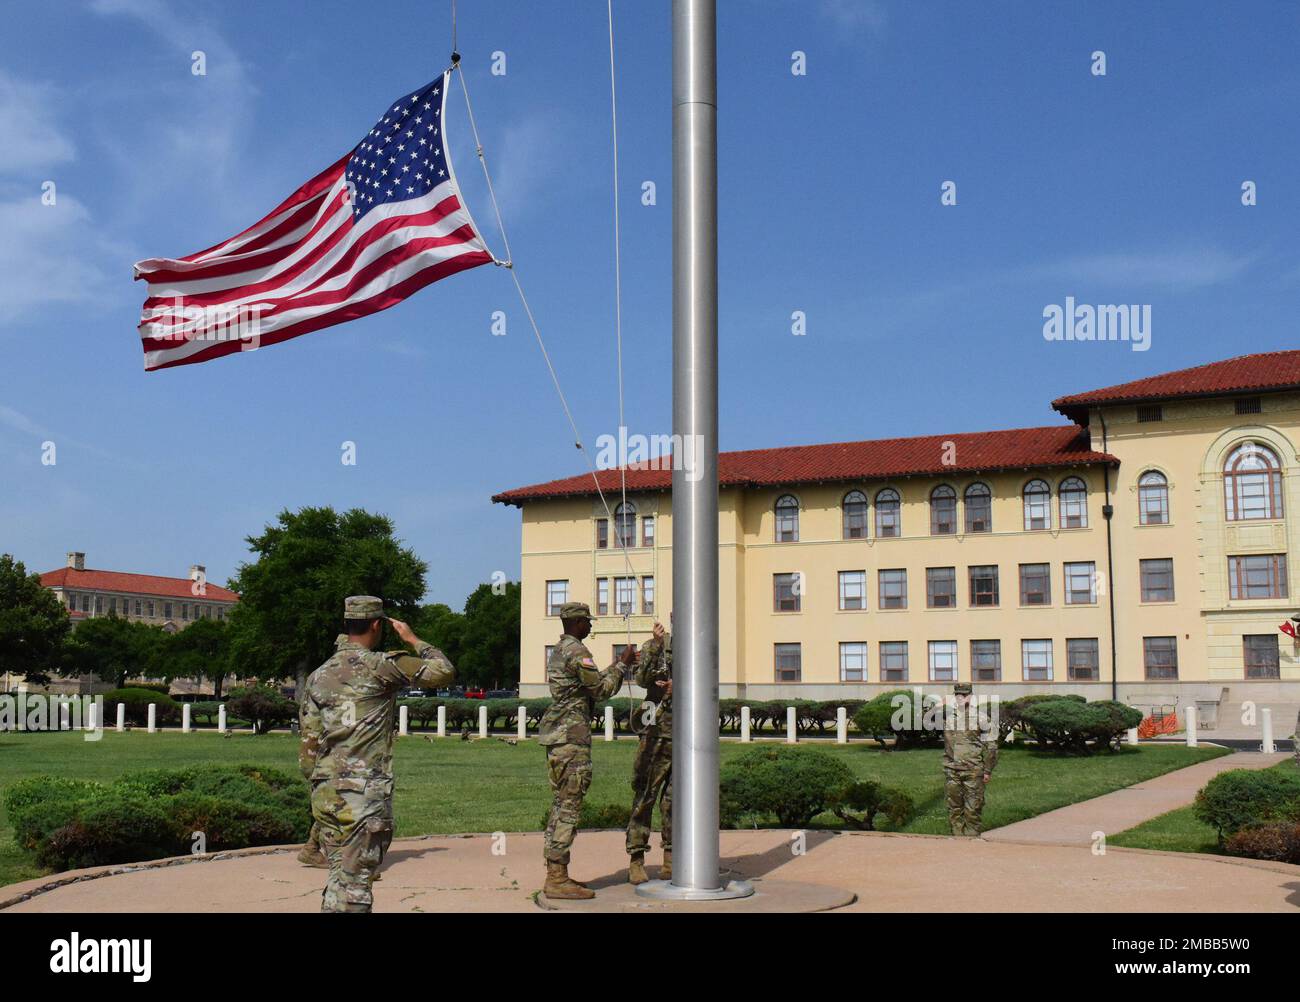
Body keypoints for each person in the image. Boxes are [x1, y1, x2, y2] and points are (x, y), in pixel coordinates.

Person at [299, 595, 454, 912]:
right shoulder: (382, 665)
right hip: (363, 795)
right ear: (376, 625)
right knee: (356, 888)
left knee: (339, 879)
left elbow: (308, 751)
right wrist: (413, 640)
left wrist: (323, 781)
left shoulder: (318, 675)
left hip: (325, 792)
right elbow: (443, 671)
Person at [538, 601, 636, 899]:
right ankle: (556, 879)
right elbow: (601, 690)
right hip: (571, 738)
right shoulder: (577, 651)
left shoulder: (560, 649)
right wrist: (623, 664)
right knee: (569, 805)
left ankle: (557, 872)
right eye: (587, 621)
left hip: (560, 737)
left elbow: (590, 683)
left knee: (561, 804)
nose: (591, 625)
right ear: (577, 622)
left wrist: (615, 666)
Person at [627, 619, 672, 884]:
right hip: (656, 731)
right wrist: (655, 645)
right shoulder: (656, 646)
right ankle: (636, 858)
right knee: (645, 796)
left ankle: (671, 858)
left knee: (675, 800)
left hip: (686, 734)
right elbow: (642, 679)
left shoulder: (698, 647)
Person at [942, 682, 998, 836]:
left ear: (971, 696)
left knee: (972, 810)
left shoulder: (981, 718)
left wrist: (988, 770)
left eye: (964, 695)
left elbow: (992, 747)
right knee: (954, 810)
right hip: (952, 770)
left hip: (973, 771)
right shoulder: (949, 718)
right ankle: (958, 842)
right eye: (957, 695)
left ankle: (971, 841)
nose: (960, 698)